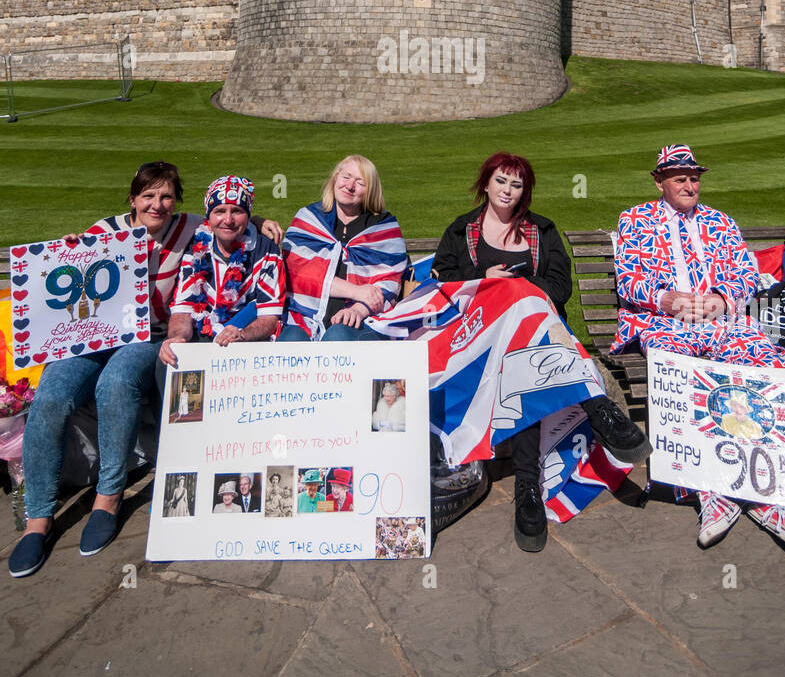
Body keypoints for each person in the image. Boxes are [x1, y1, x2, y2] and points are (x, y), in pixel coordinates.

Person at [9, 160, 285, 578]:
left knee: (117, 384)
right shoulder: (107, 232)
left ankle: (108, 496)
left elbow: (229, 215)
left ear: (177, 202)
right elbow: (64, 266)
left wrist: (263, 220)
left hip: (147, 336)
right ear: (133, 198)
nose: (157, 204)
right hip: (92, 335)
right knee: (51, 396)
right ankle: (38, 518)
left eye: (166, 196)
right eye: (148, 196)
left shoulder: (188, 228)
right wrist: (70, 250)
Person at [433, 151, 651, 553]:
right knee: (518, 305)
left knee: (526, 353)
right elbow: (443, 284)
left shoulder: (542, 230)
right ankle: (598, 409)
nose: (507, 190)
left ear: (524, 192)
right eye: (501, 181)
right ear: (486, 184)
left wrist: (521, 294)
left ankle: (527, 488)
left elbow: (560, 287)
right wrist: (487, 282)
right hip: (481, 340)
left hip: (535, 339)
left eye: (516, 185)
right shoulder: (461, 230)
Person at [613, 143, 785, 560]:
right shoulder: (635, 219)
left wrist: (723, 300)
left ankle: (771, 496)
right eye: (679, 177)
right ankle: (711, 493)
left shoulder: (721, 221)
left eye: (694, 177)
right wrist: (666, 300)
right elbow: (627, 281)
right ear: (659, 182)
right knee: (682, 375)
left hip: (724, 321)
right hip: (664, 321)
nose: (689, 184)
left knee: (769, 368)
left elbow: (746, 276)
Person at [159, 175, 286, 372]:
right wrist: (178, 338)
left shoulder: (267, 251)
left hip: (249, 345)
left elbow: (269, 318)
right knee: (169, 358)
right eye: (219, 211)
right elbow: (183, 311)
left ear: (248, 215)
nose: (228, 220)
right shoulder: (195, 248)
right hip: (202, 335)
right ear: (208, 217)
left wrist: (242, 335)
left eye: (237, 211)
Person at [280, 156, 407, 341]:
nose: (350, 186)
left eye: (360, 182)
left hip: (363, 322)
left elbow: (389, 283)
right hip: (302, 318)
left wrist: (358, 309)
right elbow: (298, 273)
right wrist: (356, 292)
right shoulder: (308, 219)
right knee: (291, 339)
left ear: (370, 191)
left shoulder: (384, 228)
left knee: (338, 336)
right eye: (346, 177)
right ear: (335, 178)